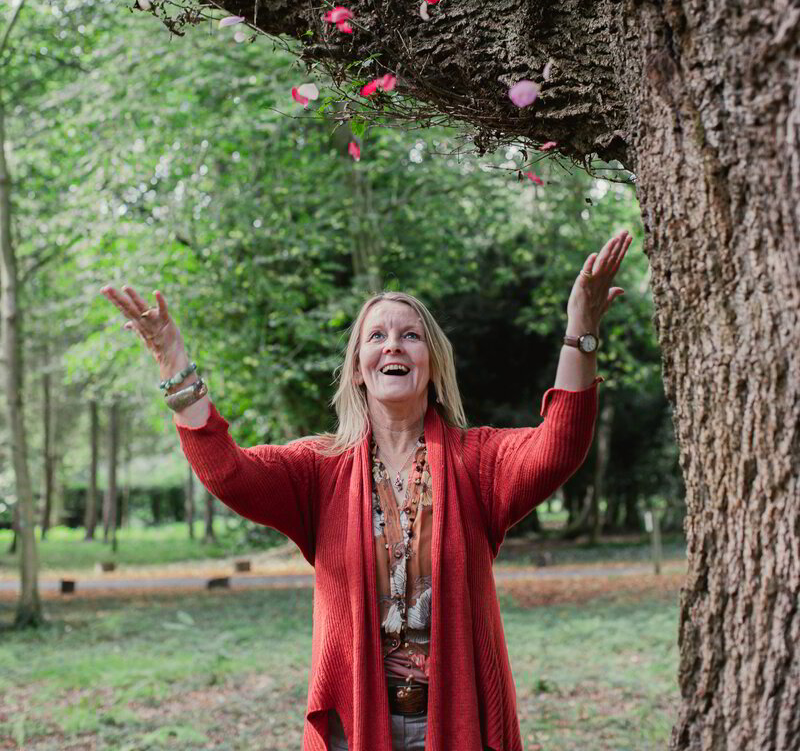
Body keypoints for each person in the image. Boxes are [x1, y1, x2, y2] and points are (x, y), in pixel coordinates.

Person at [100, 229, 631, 751]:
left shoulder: (480, 461)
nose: (393, 345)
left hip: (458, 718)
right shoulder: (319, 468)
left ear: (431, 365)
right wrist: (174, 363)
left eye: (410, 335)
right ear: (358, 370)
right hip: (355, 724)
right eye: (376, 336)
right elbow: (229, 472)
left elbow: (559, 445)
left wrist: (580, 329)